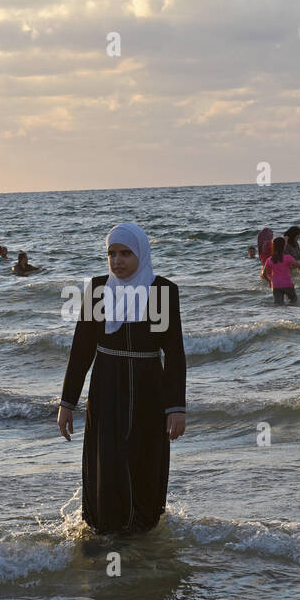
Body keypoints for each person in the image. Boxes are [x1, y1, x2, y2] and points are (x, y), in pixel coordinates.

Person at [58, 222, 186, 534]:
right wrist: (66, 402)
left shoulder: (161, 291)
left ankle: (143, 529)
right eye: (112, 253)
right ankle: (105, 530)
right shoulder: (99, 290)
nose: (118, 261)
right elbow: (81, 351)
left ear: (141, 252)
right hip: (106, 388)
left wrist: (176, 407)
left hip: (148, 389)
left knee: (145, 457)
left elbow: (174, 352)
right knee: (108, 460)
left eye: (126, 253)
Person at [261, 235, 300, 305]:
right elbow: (299, 265)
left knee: (278, 305)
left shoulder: (269, 260)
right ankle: (291, 315)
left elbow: (264, 273)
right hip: (287, 284)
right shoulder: (287, 258)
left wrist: (270, 281)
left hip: (276, 285)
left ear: (273, 247)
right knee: (293, 300)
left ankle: (281, 315)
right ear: (283, 247)